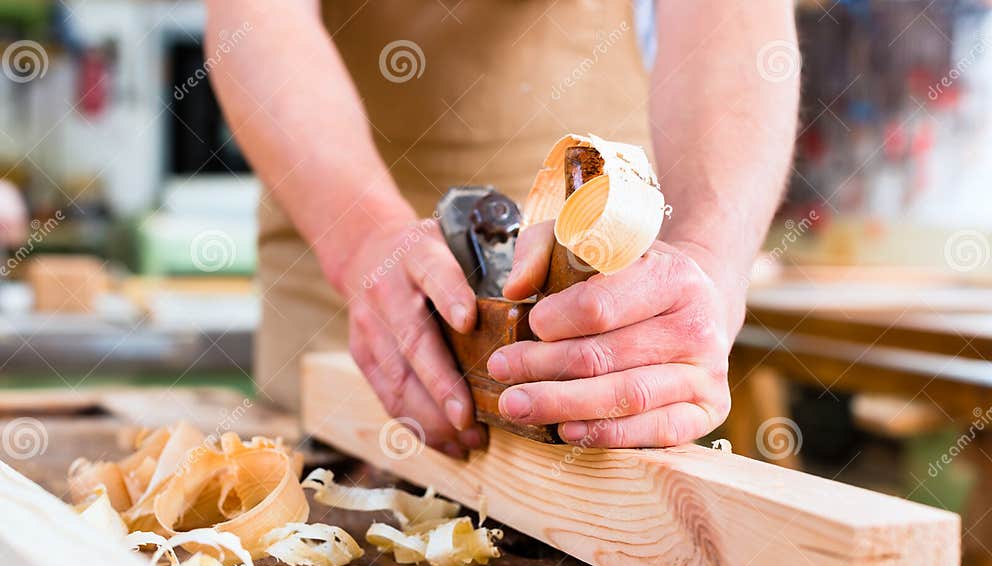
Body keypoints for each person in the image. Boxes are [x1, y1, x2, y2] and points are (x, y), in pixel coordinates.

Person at [206, 0, 800, 458]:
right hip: (356, 312)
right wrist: (363, 241)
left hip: (616, 335)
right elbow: (256, 20)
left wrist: (706, 255)